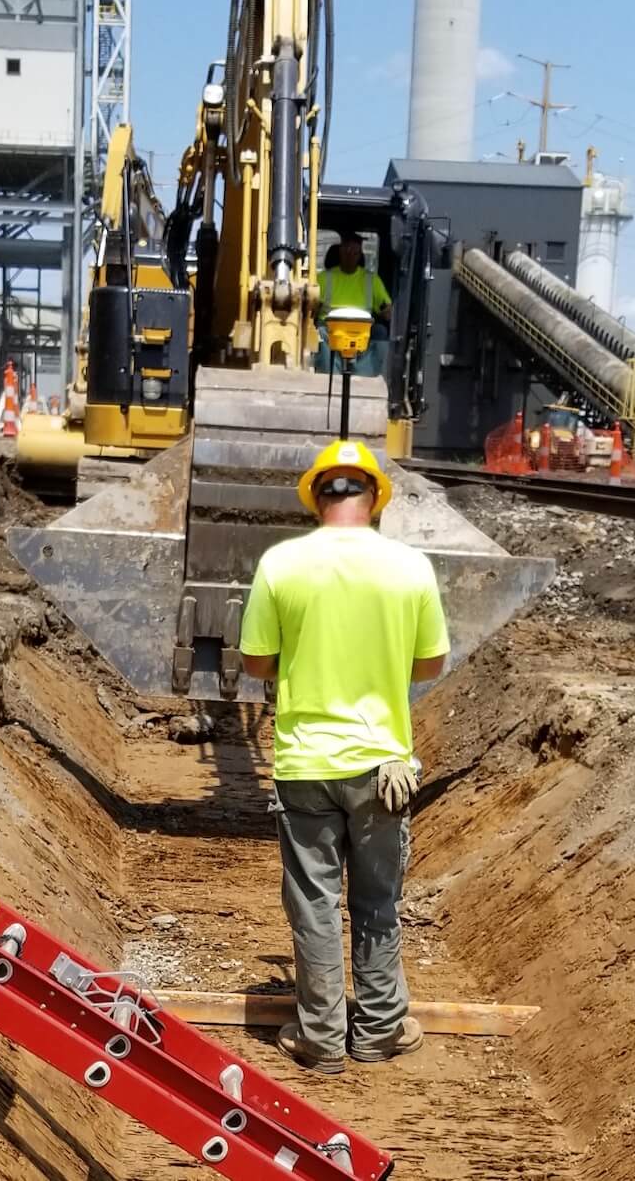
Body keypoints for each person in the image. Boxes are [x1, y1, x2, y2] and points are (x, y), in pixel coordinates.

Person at [237, 439, 450, 1074]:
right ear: (375, 498)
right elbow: (431, 663)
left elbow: (254, 661)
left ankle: (322, 1037)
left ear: (315, 498)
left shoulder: (282, 564)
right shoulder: (410, 567)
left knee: (314, 899)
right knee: (377, 900)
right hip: (382, 766)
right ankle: (381, 1028)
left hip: (305, 764)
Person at [316, 230, 392, 378]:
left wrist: (388, 313)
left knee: (381, 332)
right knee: (318, 332)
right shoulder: (324, 278)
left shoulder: (372, 281)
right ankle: (327, 376)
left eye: (354, 251)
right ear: (340, 252)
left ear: (360, 255)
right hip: (330, 332)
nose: (350, 254)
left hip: (362, 333)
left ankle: (368, 379)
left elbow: (386, 309)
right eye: (346, 250)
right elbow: (311, 308)